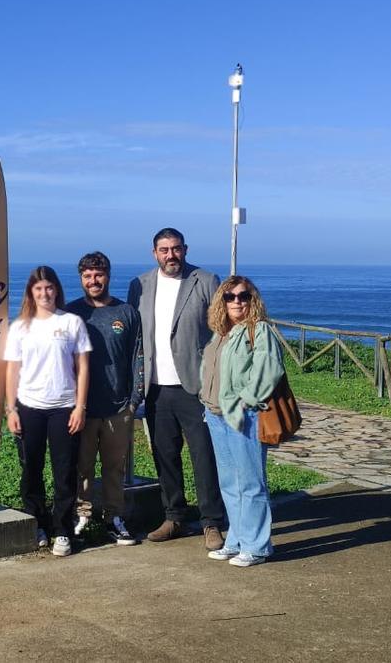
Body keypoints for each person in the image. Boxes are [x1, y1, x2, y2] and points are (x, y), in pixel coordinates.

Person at [126, 227, 226, 549]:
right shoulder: (139, 285)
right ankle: (174, 518)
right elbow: (135, 337)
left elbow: (219, 331)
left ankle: (211, 521)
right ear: (154, 253)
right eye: (164, 250)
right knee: (164, 455)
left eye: (176, 249)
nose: (171, 255)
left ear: (185, 249)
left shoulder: (206, 280)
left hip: (193, 387)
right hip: (155, 387)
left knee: (203, 455)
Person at [5, 266, 92, 557]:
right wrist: (11, 409)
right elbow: (12, 372)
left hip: (64, 408)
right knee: (31, 469)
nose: (44, 293)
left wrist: (80, 406)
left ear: (57, 289)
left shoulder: (72, 323)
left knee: (64, 472)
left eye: (49, 287)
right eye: (39, 288)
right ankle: (37, 524)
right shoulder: (19, 327)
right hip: (29, 407)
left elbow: (83, 369)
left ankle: (62, 531)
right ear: (31, 292)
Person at [199, 276, 283, 567]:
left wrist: (244, 401)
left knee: (251, 482)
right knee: (230, 483)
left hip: (243, 416)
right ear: (221, 301)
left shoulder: (258, 331)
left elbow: (269, 370)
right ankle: (236, 540)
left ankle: (258, 545)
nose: (237, 301)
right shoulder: (221, 333)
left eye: (243, 296)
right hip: (215, 414)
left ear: (253, 300)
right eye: (230, 297)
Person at [66, 252, 142, 546]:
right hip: (81, 408)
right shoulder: (71, 313)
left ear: (108, 275)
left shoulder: (126, 313)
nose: (93, 281)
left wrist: (134, 400)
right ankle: (82, 515)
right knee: (81, 466)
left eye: (98, 275)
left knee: (114, 467)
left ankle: (114, 517)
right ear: (81, 279)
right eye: (87, 276)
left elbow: (138, 356)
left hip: (118, 406)